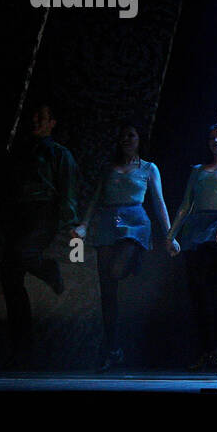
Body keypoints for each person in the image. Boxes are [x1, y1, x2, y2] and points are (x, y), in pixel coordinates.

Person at [74, 121, 172, 372]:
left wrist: (169, 234)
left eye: (131, 135)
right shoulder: (108, 169)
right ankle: (111, 347)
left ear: (140, 139)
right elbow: (96, 198)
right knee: (108, 290)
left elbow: (159, 201)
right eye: (123, 136)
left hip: (135, 223)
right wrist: (84, 225)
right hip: (108, 222)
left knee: (117, 270)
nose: (126, 140)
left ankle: (137, 259)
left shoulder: (149, 168)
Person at [0, 101, 79, 366]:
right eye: (34, 116)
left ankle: (48, 269)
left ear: (52, 122)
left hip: (43, 214)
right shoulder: (20, 151)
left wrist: (71, 223)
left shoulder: (60, 154)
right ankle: (21, 346)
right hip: (18, 214)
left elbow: (67, 191)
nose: (36, 121)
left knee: (23, 253)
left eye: (42, 117)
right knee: (9, 277)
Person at [166, 124, 217, 371]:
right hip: (196, 231)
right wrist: (171, 234)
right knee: (198, 291)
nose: (216, 141)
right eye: (212, 138)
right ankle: (208, 349)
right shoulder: (198, 170)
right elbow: (185, 204)